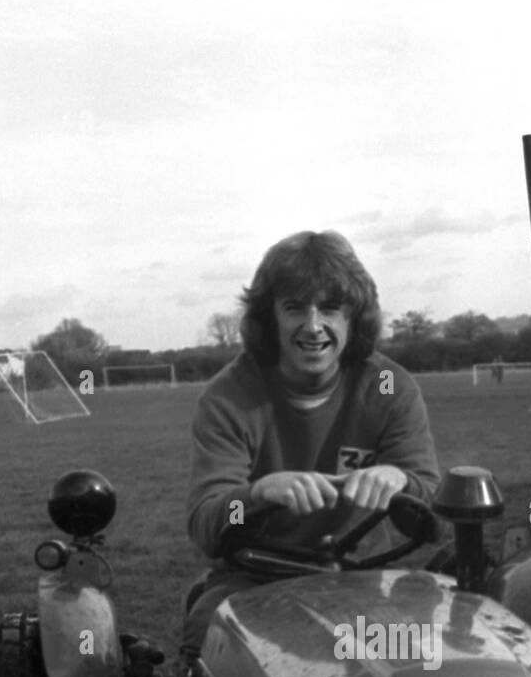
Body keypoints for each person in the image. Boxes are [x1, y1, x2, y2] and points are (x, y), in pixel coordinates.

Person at [182, 230, 442, 655]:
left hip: (364, 578)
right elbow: (208, 523)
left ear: (354, 317)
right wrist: (258, 492)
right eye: (295, 308)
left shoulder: (390, 386)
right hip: (256, 579)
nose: (313, 325)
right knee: (207, 635)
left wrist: (400, 481)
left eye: (331, 309)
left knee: (423, 656)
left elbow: (431, 516)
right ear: (269, 318)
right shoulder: (229, 396)